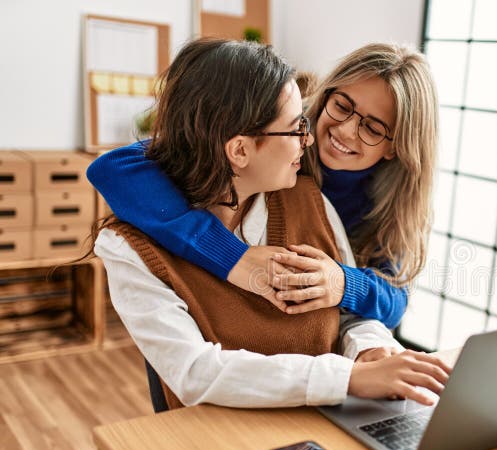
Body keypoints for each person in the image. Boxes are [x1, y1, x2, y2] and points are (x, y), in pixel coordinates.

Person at [94, 38, 449, 409]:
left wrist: (364, 335)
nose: (338, 133)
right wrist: (231, 258)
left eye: (373, 129)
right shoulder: (283, 149)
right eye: (341, 106)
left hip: (314, 403)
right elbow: (117, 166)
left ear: (396, 145)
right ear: (240, 149)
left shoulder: (314, 199)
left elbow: (371, 309)